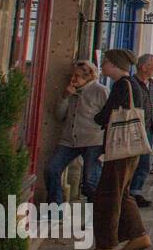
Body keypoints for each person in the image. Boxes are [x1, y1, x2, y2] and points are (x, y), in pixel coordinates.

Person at [72, 49, 151, 250]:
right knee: (121, 192)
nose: (103, 66)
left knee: (107, 195)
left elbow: (104, 115)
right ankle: (138, 235)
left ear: (115, 65)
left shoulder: (122, 85)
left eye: (105, 62)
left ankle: (105, 247)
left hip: (120, 148)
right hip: (130, 148)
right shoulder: (132, 84)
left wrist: (96, 116)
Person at [44, 61, 108, 205]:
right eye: (72, 75)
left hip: (93, 140)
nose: (73, 79)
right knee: (51, 170)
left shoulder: (100, 91)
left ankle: (98, 215)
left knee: (90, 181)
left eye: (77, 76)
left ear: (89, 76)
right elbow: (59, 116)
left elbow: (109, 116)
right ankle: (56, 209)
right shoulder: (70, 91)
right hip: (69, 140)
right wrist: (65, 97)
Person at [129, 53, 153, 208]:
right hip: (135, 129)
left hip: (150, 128)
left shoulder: (152, 84)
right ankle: (130, 192)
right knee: (135, 162)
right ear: (143, 67)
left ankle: (135, 191)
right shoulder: (131, 84)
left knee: (144, 163)